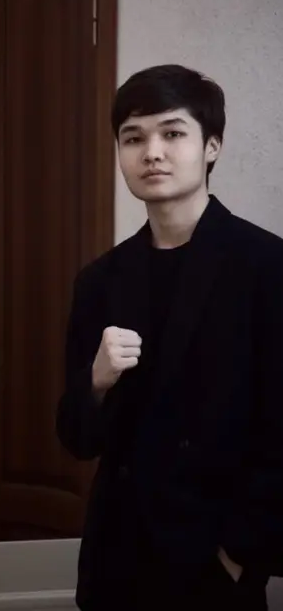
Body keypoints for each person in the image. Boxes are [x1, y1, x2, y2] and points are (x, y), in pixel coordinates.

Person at [56, 64, 283, 610]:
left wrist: (238, 553)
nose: (151, 152)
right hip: (117, 563)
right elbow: (77, 438)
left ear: (212, 146)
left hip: (212, 566)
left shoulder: (266, 266)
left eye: (172, 133)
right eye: (133, 138)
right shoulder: (99, 280)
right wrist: (96, 382)